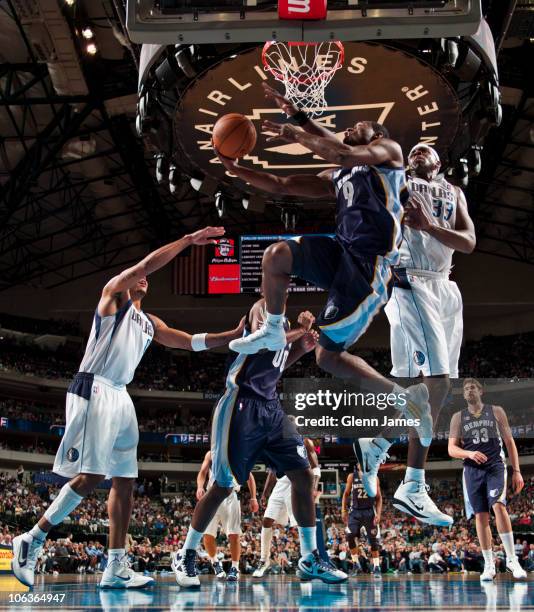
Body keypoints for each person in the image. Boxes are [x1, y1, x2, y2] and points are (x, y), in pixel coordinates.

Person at [11, 226, 245, 589]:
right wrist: (186, 242)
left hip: (121, 395)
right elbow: (148, 265)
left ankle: (116, 566)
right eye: (141, 277)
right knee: (91, 477)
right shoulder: (112, 298)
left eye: (147, 280)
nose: (146, 281)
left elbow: (188, 342)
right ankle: (32, 539)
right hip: (96, 387)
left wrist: (229, 337)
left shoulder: (149, 323)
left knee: (126, 479)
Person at [217, 83, 432, 449]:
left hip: (370, 267)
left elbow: (345, 151)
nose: (349, 129)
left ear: (376, 134)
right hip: (341, 251)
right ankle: (271, 329)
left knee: (326, 357)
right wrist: (237, 170)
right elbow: (282, 184)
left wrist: (296, 130)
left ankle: (404, 397)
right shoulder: (340, 173)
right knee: (276, 256)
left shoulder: (388, 153)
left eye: (358, 125)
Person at [172, 302, 347, 586]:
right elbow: (265, 342)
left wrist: (301, 347)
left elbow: (276, 366)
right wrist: (302, 330)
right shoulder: (261, 309)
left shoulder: (287, 324)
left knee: (303, 474)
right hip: (241, 404)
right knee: (223, 486)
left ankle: (309, 557)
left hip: (271, 407)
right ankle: (186, 552)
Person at [356, 144, 475, 526]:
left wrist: (430, 226)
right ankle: (412, 483)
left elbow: (468, 242)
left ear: (440, 162)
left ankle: (377, 443)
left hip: (445, 287)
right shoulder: (399, 183)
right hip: (409, 280)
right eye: (413, 151)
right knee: (437, 384)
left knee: (416, 384)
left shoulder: (455, 192)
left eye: (426, 150)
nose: (418, 152)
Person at [448, 378, 527, 581]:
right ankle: (489, 564)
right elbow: (451, 449)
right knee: (480, 516)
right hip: (472, 470)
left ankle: (511, 559)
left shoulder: (496, 411)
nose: (469, 390)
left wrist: (517, 470)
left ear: (481, 391)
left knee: (498, 506)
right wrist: (469, 453)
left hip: (494, 466)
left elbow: (509, 442)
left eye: (472, 387)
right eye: (465, 388)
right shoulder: (458, 417)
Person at [253, 436, 320, 577]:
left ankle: (307, 562)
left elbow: (315, 468)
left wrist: (313, 488)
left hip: (297, 481)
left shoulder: (305, 442)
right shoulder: (276, 444)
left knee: (300, 524)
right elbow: (272, 471)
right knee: (266, 521)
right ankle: (264, 560)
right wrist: (265, 493)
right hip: (280, 483)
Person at [196, 450, 259, 581]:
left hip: (231, 495)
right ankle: (215, 563)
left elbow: (249, 476)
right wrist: (200, 487)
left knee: (234, 534)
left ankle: (235, 568)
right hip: (212, 495)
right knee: (208, 535)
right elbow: (202, 472)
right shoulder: (211, 453)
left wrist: (253, 497)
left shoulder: (239, 452)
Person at [341, 462, 382, 577]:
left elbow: (379, 498)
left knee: (373, 541)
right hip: (355, 511)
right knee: (350, 535)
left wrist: (378, 514)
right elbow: (346, 494)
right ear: (357, 465)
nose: (362, 464)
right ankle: (355, 563)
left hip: (369, 511)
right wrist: (343, 510)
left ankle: (376, 566)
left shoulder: (374, 477)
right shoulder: (351, 476)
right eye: (360, 462)